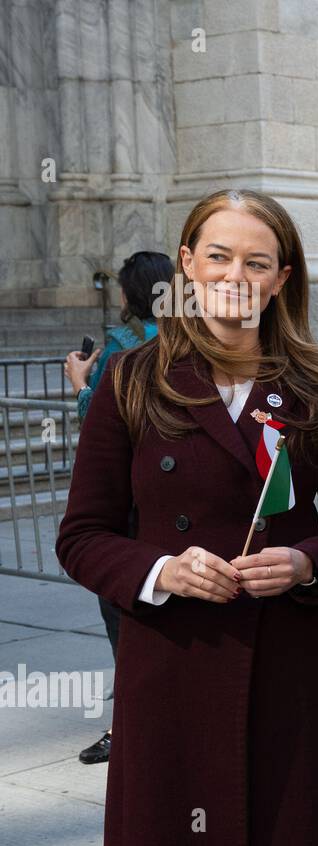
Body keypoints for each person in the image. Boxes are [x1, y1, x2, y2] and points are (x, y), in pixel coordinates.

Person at [55, 189, 318, 846]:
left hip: (296, 670)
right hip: (174, 664)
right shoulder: (130, 381)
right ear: (187, 264)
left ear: (282, 278)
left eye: (257, 262)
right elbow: (82, 535)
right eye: (219, 256)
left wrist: (308, 563)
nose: (236, 276)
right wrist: (160, 571)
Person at [62, 250, 172, 766]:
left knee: (123, 610)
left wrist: (81, 383)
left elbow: (102, 421)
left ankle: (125, 725)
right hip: (173, 500)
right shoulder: (189, 338)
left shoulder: (122, 346)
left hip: (128, 502)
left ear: (129, 296)